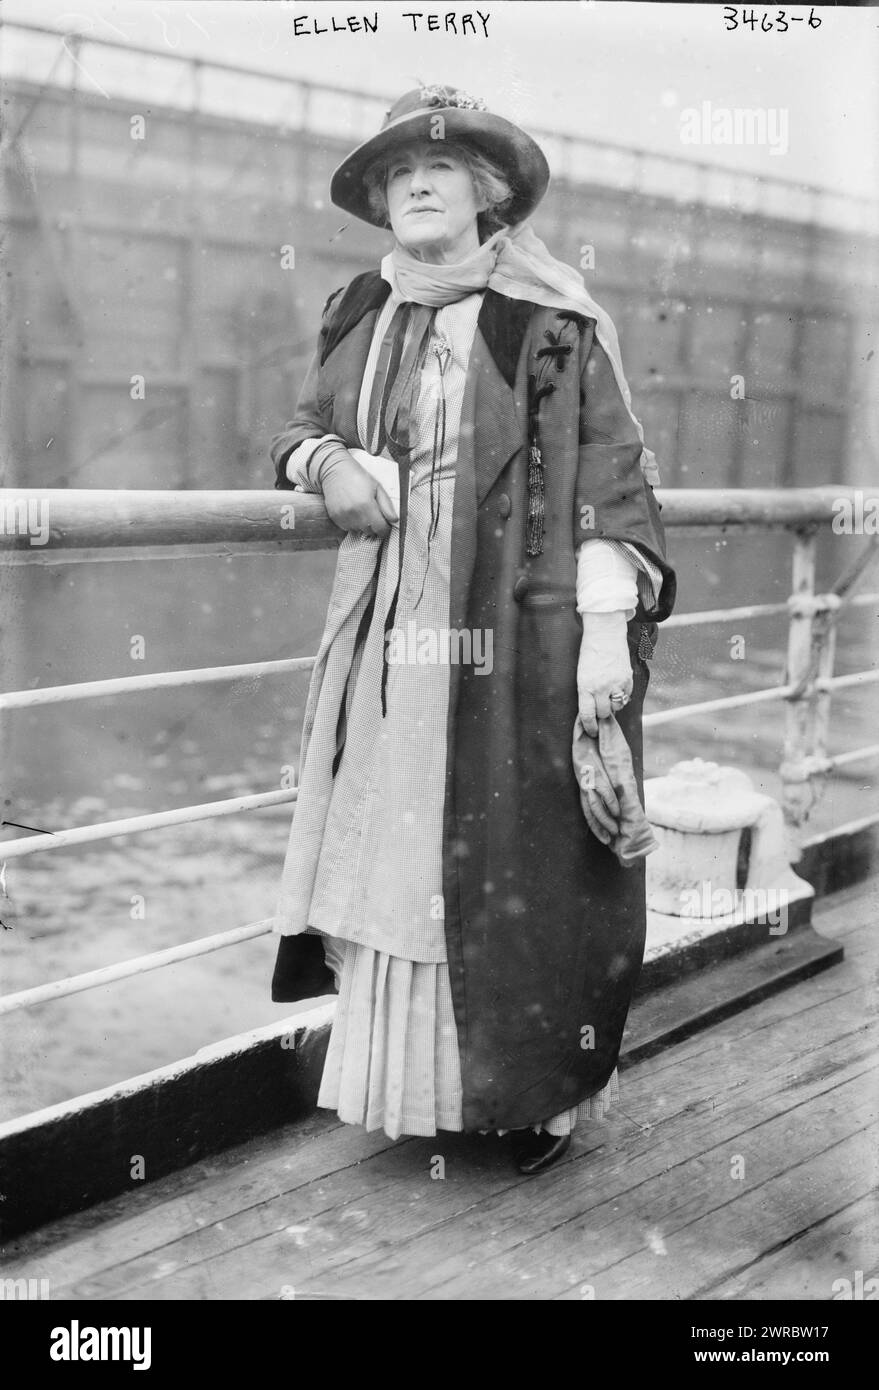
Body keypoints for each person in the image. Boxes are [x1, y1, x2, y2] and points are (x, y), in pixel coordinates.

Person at [270, 84, 676, 1175]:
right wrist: (328, 463)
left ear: (486, 193)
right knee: (399, 846)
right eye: (399, 173)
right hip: (394, 638)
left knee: (528, 861)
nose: (416, 185)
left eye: (438, 169)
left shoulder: (551, 317)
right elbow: (303, 426)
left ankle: (535, 1097)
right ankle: (427, 1095)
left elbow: (609, 476)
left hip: (519, 629)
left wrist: (601, 637)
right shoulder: (363, 308)